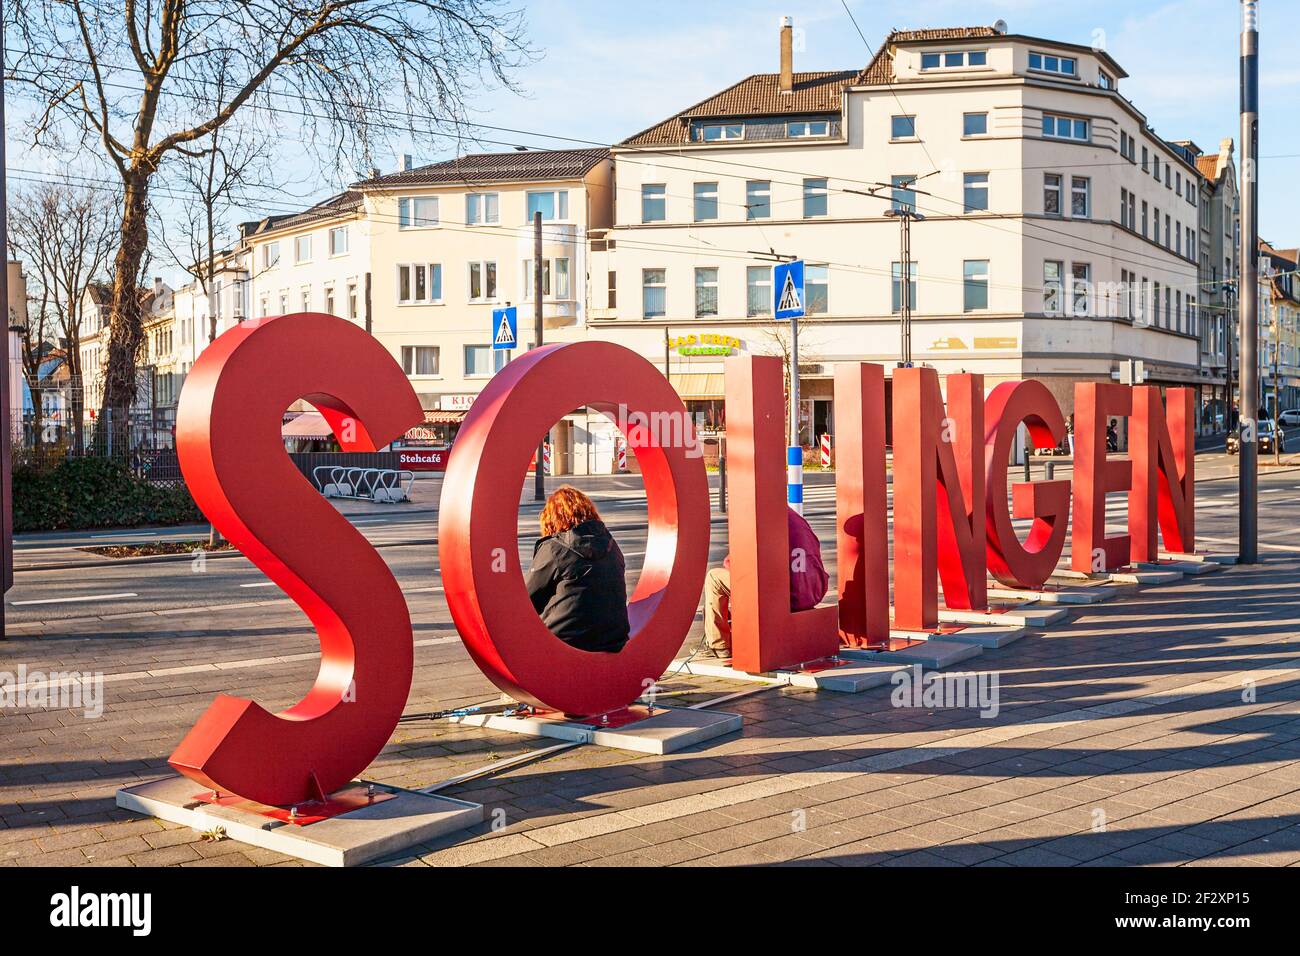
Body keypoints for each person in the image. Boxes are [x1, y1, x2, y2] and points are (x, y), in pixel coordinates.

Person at [701, 507, 829, 662]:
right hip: (812, 591)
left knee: (714, 578)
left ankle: (719, 645)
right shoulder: (798, 520)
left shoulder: (763, 518)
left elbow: (733, 563)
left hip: (786, 596)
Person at [526, 485, 630, 653]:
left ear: (552, 519)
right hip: (613, 640)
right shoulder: (612, 545)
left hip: (568, 642)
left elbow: (528, 599)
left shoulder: (554, 548)